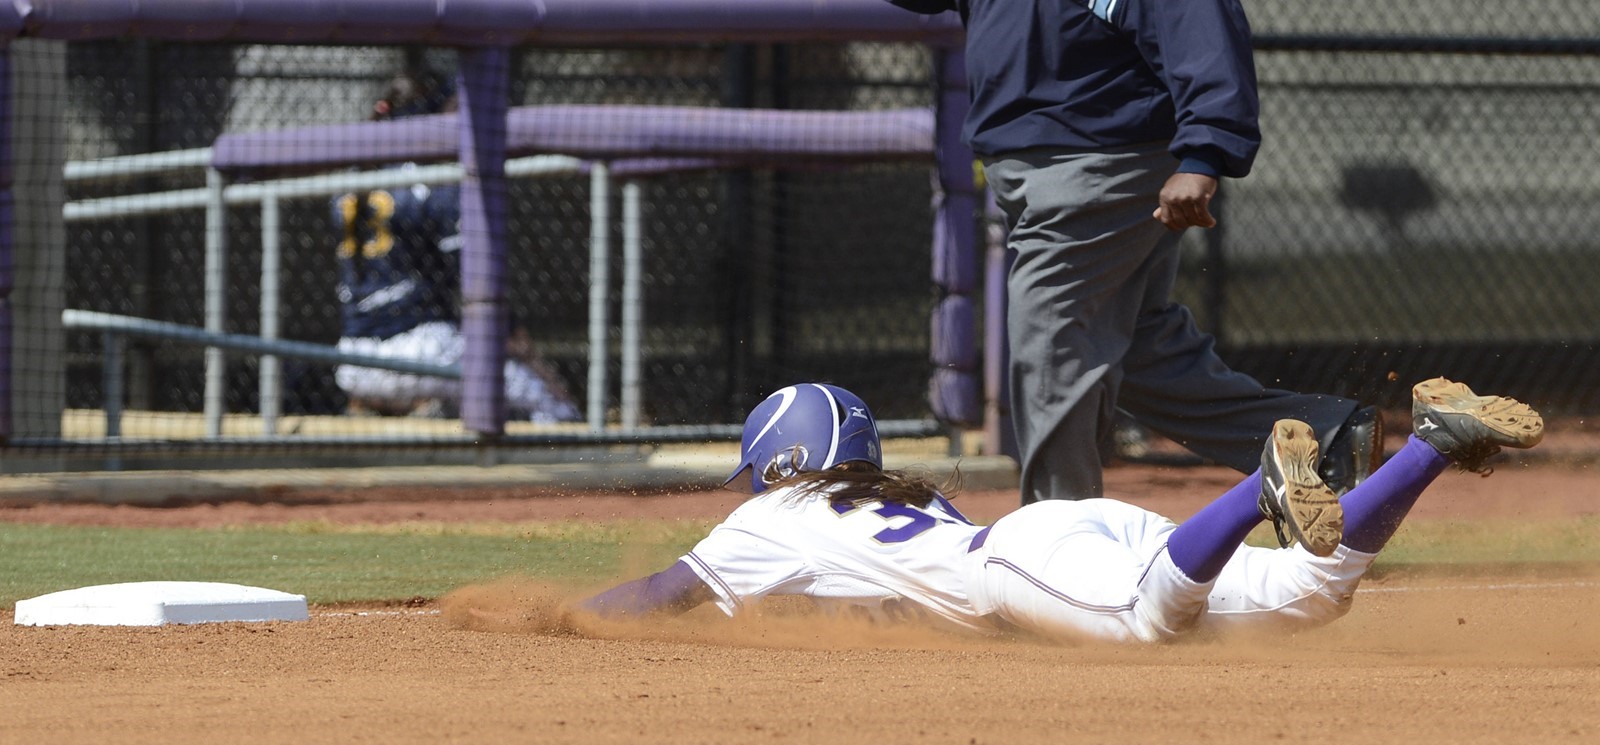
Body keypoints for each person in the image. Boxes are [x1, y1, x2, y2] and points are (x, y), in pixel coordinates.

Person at [575, 378, 1541, 644]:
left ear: (776, 466)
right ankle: (1430, 445)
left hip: (1015, 567)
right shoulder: (894, 497)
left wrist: (553, 617)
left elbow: (660, 594)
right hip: (1062, 536)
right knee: (1307, 592)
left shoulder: (766, 522)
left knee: (1150, 619)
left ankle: (1259, 488)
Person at [886, 0, 1381, 505]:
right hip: (1040, 170)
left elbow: (1198, 24)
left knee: (1052, 339)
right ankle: (1325, 439)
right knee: (1138, 352)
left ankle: (1060, 536)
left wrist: (1204, 152)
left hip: (1101, 162)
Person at [333, 69, 580, 424]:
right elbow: (475, 282)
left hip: (353, 360)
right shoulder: (435, 183)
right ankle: (574, 461)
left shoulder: (352, 181)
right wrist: (530, 357)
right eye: (449, 110)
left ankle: (424, 424)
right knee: (545, 399)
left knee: (466, 386)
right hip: (418, 351)